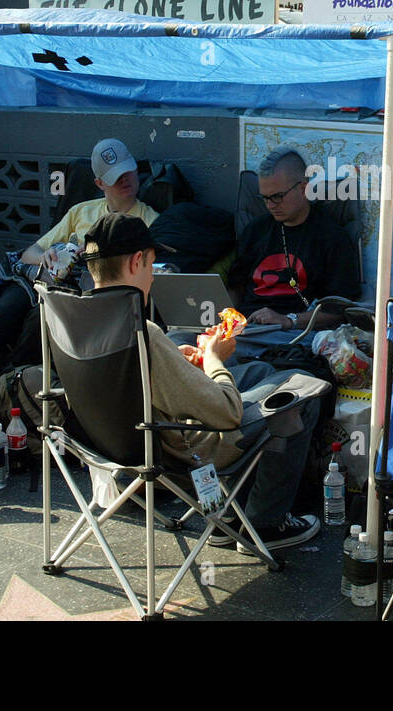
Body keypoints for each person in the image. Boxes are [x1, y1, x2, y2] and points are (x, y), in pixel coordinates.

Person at [81, 212, 325, 552]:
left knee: (257, 374)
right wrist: (212, 357)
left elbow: (137, 378)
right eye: (152, 266)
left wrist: (175, 359)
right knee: (302, 391)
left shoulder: (80, 321)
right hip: (185, 446)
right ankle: (266, 523)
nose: (152, 277)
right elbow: (226, 413)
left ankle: (227, 516)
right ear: (137, 261)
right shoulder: (143, 333)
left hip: (109, 439)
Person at [0, 137, 161, 376]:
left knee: (38, 320)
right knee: (4, 310)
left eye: (127, 172)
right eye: (116, 177)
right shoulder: (82, 211)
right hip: (52, 281)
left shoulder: (149, 220)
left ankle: (7, 379)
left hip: (88, 292)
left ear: (135, 169)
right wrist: (48, 255)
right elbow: (30, 253)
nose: (125, 180)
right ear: (100, 183)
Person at [229, 146, 361, 331]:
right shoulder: (255, 230)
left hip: (295, 333)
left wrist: (289, 320)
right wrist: (229, 317)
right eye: (264, 198)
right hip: (248, 328)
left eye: (277, 197)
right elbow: (235, 287)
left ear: (303, 188)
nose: (270, 205)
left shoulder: (331, 237)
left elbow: (340, 309)